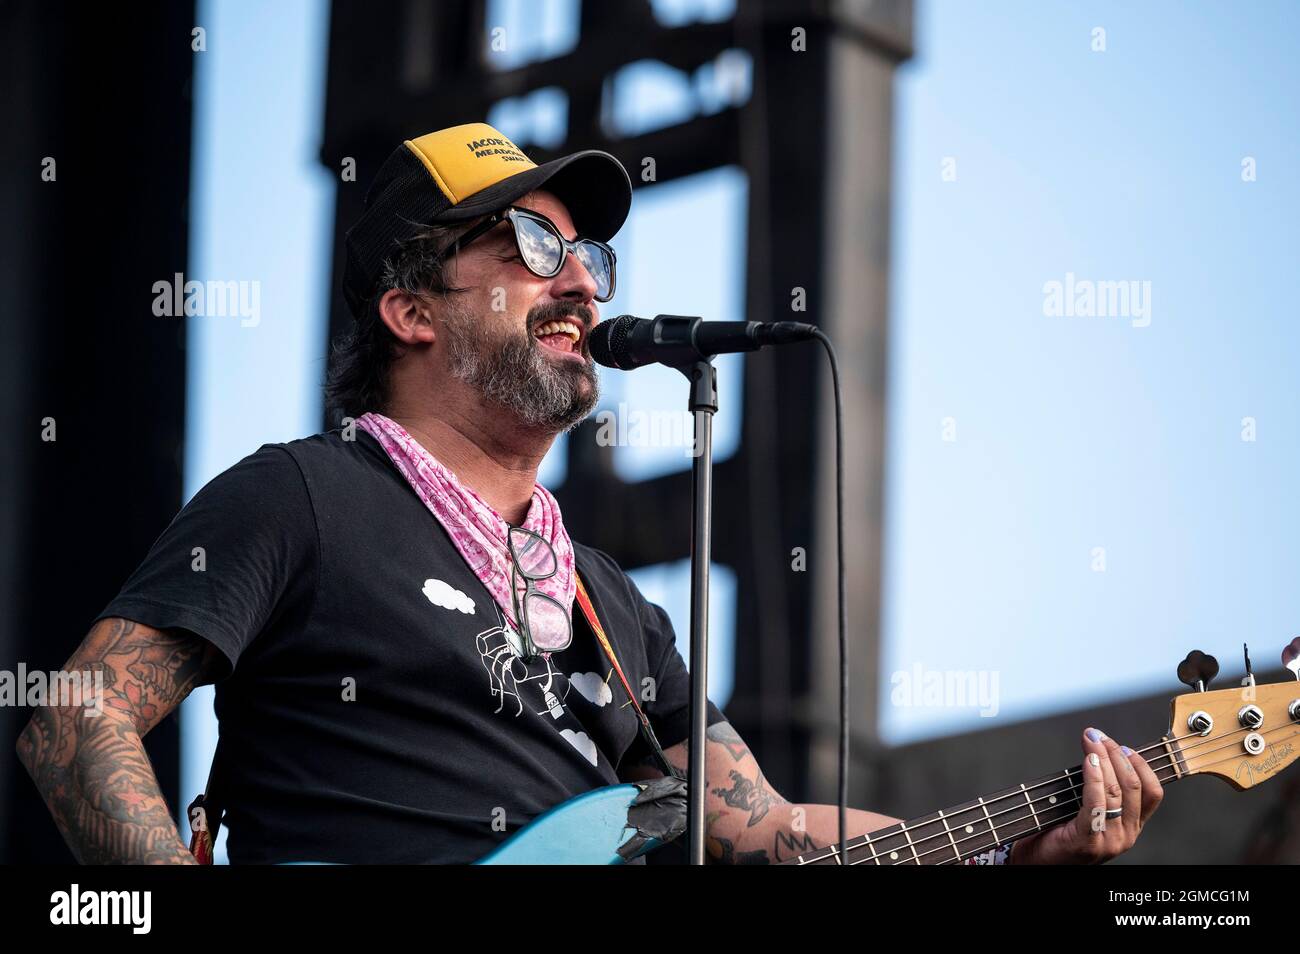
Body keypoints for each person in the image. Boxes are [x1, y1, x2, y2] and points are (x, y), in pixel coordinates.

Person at [16, 123, 1162, 864]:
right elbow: (76, 714)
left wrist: (1022, 848)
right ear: (412, 310)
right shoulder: (302, 497)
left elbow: (763, 833)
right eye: (527, 241)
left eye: (588, 258)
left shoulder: (613, 607)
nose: (576, 279)